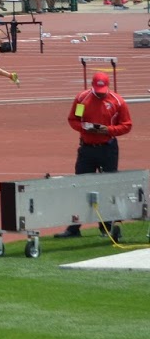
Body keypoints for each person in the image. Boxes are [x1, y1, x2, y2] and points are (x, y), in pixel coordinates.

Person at [60, 72, 134, 237]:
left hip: (108, 148)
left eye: (103, 90)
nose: (100, 93)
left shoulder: (117, 102)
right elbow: (74, 119)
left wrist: (108, 130)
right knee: (80, 186)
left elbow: (127, 125)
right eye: (98, 90)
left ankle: (106, 227)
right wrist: (85, 127)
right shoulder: (82, 99)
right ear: (92, 85)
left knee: (108, 187)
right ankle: (74, 228)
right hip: (87, 149)